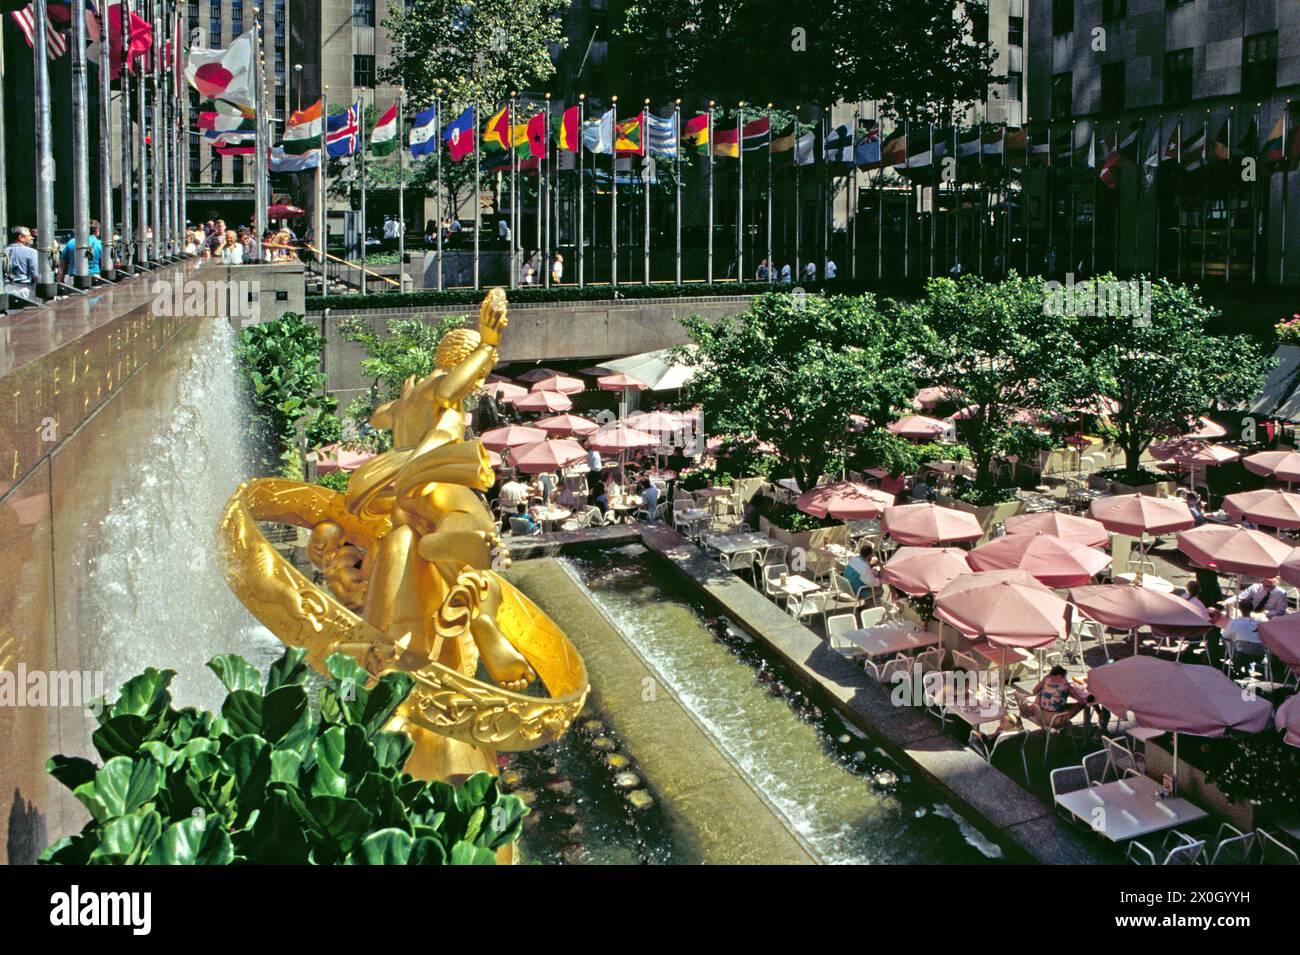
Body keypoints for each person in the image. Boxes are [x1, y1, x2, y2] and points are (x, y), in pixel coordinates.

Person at [1020, 665, 1091, 727]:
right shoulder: (1064, 683)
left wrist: (1045, 678)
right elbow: (1079, 698)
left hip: (1039, 716)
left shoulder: (1047, 679)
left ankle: (1066, 728)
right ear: (1063, 675)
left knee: (1063, 705)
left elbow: (1034, 691)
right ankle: (1086, 732)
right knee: (1083, 704)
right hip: (1053, 720)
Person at [5, 226, 40, 299]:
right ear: (21, 237)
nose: (31, 238)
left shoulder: (4, 252)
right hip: (25, 290)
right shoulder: (31, 252)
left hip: (6, 288)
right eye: (29, 236)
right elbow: (36, 274)